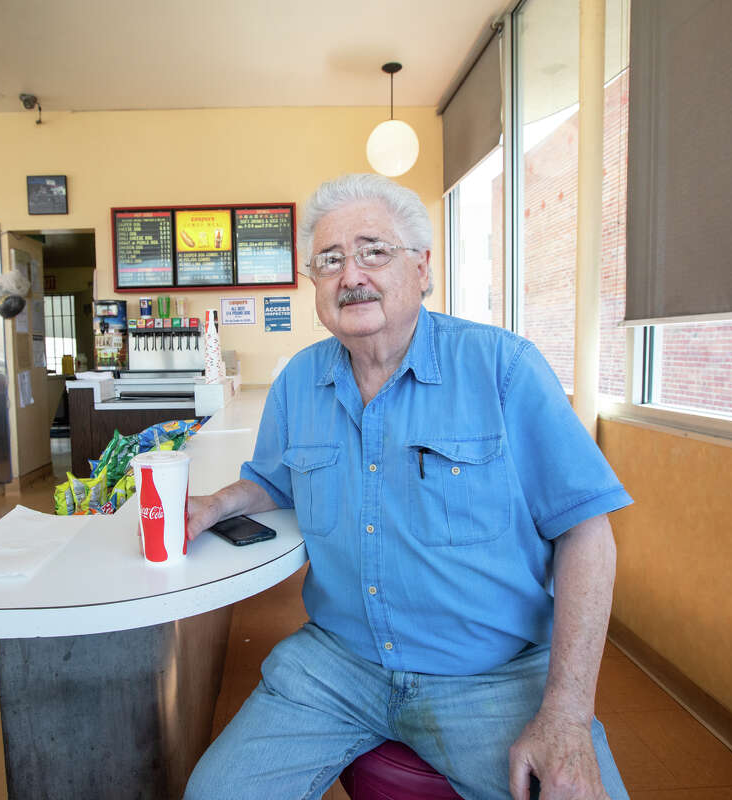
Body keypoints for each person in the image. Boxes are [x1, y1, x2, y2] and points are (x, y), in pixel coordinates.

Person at [183, 173, 632, 800]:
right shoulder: (298, 383)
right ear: (314, 283)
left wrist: (566, 715)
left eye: (373, 251)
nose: (350, 274)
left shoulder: (502, 368)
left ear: (422, 268)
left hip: (491, 673)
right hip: (336, 666)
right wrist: (214, 504)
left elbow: (586, 532)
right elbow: (272, 480)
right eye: (330, 260)